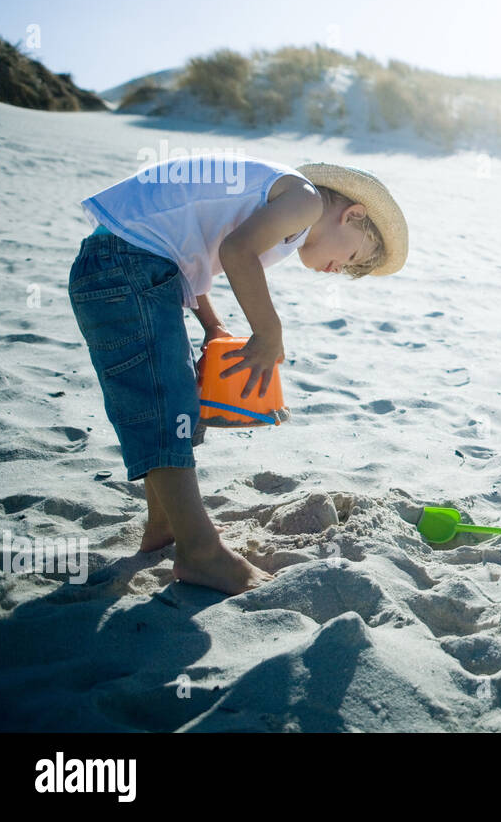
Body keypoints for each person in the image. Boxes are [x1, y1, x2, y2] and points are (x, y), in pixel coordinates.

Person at [69, 155, 408, 594]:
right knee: (161, 404)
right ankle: (201, 553)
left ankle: (165, 527)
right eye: (352, 257)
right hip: (125, 263)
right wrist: (269, 332)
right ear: (354, 214)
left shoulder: (287, 208)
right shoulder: (304, 199)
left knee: (175, 401)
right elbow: (235, 252)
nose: (339, 270)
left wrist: (211, 324)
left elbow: (198, 255)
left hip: (139, 266)